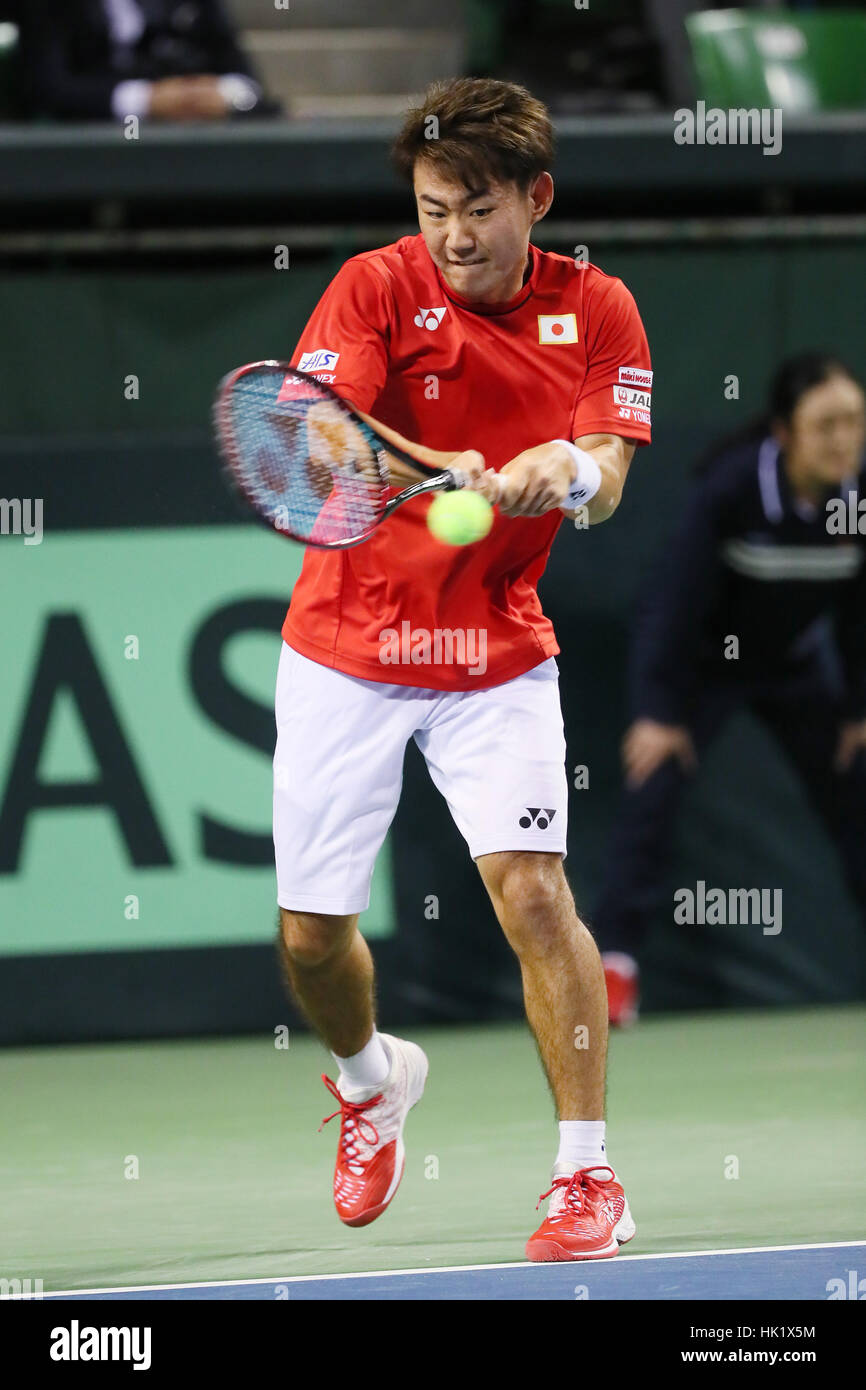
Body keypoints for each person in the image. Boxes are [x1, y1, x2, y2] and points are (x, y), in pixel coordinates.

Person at [273, 77, 652, 1261]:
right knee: (310, 937)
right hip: (348, 642)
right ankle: (369, 1078)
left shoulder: (597, 308)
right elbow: (309, 431)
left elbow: (609, 467)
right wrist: (419, 455)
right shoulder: (375, 285)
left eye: (476, 208)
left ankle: (587, 1178)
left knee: (536, 896)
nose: (451, 233)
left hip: (494, 647)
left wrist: (565, 471)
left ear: (534, 199)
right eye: (434, 206)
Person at [596, 353, 866, 1027]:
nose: (843, 439)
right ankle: (613, 970)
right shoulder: (735, 488)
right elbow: (675, 603)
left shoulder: (859, 499)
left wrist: (859, 710)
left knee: (857, 783)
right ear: (785, 431)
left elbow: (862, 613)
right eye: (826, 424)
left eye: (854, 422)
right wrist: (661, 711)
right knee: (652, 787)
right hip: (705, 666)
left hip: (797, 668)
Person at [17, 0, 276, 122]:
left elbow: (247, 82)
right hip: (95, 147)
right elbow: (46, 89)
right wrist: (145, 100)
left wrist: (222, 94)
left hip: (197, 138)